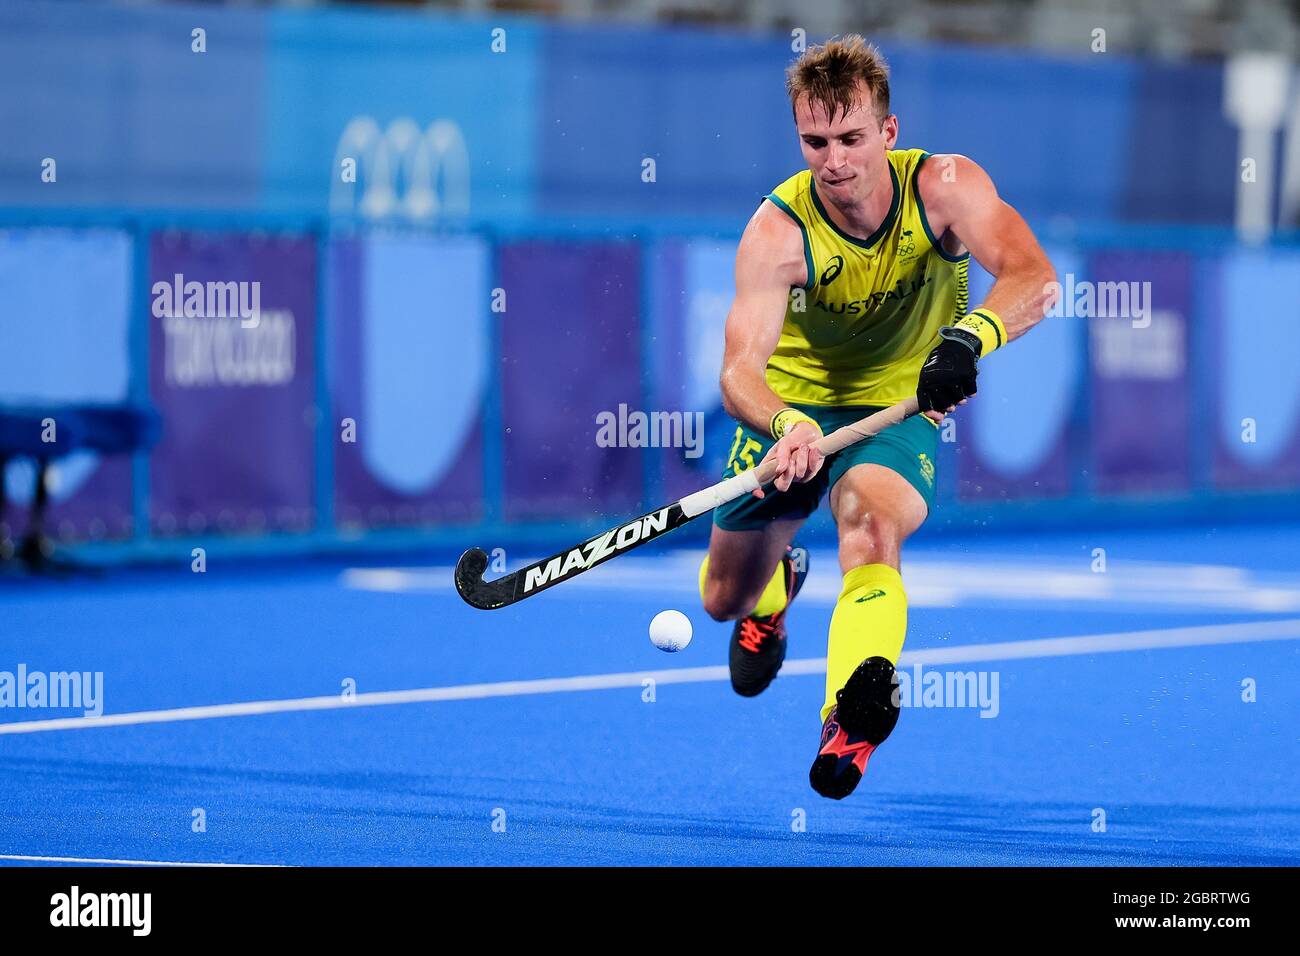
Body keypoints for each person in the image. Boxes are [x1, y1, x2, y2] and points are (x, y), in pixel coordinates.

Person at [697, 35, 1056, 799]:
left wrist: (970, 336)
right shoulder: (777, 232)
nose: (833, 161)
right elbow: (737, 373)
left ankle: (848, 717)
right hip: (793, 405)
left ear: (888, 133)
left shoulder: (945, 186)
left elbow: (1034, 275)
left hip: (900, 399)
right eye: (815, 141)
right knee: (721, 598)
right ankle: (773, 587)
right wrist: (788, 423)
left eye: (852, 138)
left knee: (869, 527)